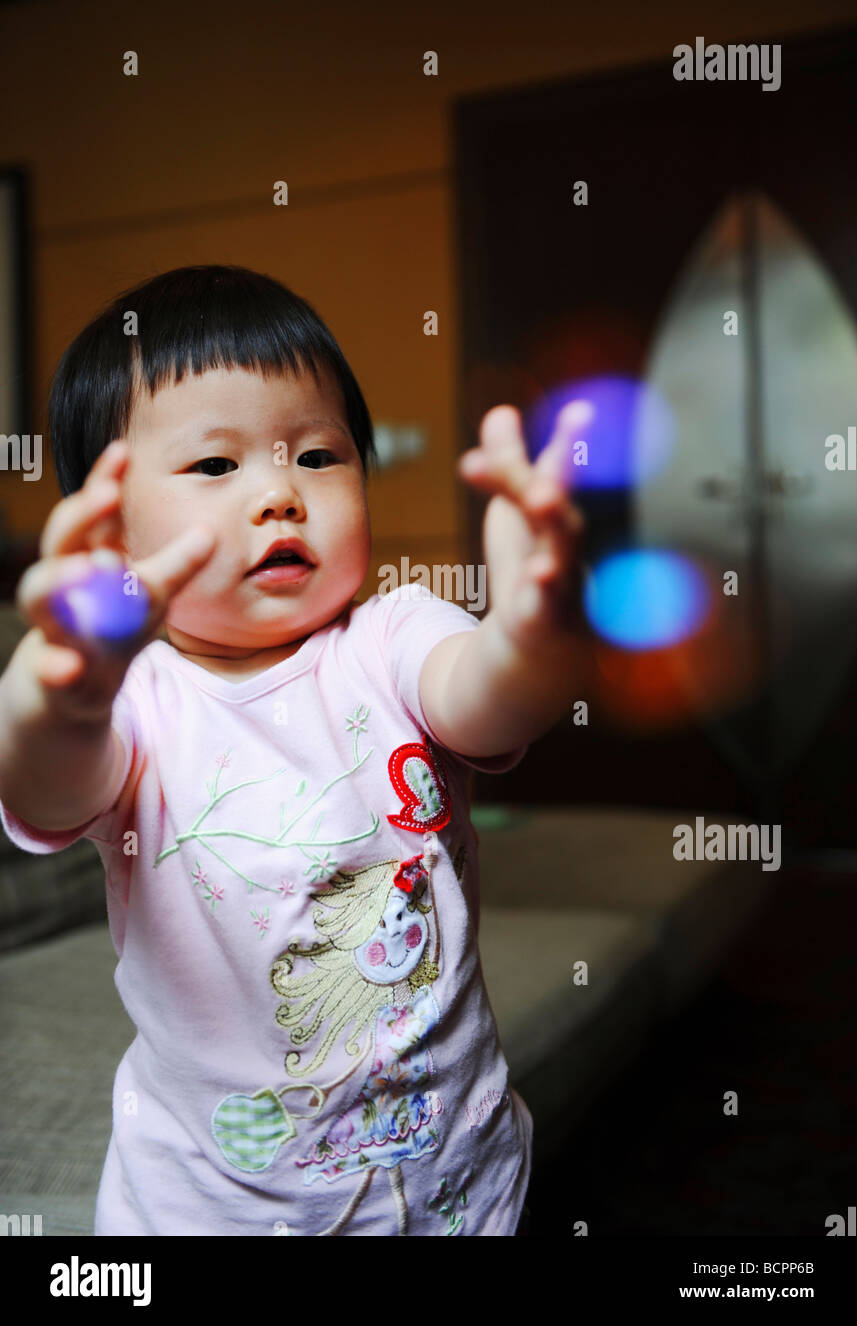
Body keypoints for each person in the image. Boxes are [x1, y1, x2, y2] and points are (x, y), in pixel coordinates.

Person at [0, 264, 590, 1236]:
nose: (279, 492)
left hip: (457, 1176)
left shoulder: (392, 636)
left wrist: (532, 631)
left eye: (318, 455)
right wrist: (58, 685)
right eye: (215, 466)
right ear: (114, 527)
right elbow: (51, 785)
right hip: (215, 1210)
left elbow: (488, 702)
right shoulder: (135, 704)